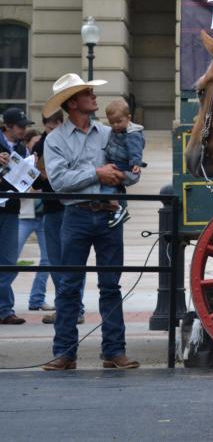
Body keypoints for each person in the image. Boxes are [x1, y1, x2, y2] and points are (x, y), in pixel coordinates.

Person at [41, 73, 139, 370]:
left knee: (110, 285)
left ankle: (113, 351)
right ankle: (66, 353)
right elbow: (58, 181)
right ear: (73, 103)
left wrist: (118, 174)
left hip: (106, 214)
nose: (94, 97)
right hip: (76, 216)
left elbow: (132, 173)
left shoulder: (107, 133)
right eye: (87, 93)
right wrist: (97, 174)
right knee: (69, 285)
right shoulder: (55, 139)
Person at [32, 110, 84, 326]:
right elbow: (34, 183)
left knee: (73, 261)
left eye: (56, 125)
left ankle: (75, 307)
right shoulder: (39, 146)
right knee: (55, 261)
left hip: (70, 206)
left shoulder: (68, 141)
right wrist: (39, 175)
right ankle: (65, 306)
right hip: (52, 208)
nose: (53, 130)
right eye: (49, 126)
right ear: (44, 125)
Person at [0, 107, 33, 325]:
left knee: (9, 261)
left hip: (10, 208)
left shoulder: (23, 149)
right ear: (7, 127)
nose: (23, 130)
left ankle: (5, 309)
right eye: (20, 127)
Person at [16, 129, 54, 312]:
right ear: (28, 143)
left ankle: (37, 299)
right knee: (10, 258)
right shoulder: (23, 161)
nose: (39, 144)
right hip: (24, 216)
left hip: (43, 216)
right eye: (35, 141)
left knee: (47, 260)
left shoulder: (46, 162)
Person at [100, 99, 145, 228]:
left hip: (125, 164)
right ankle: (121, 208)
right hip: (116, 161)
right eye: (112, 122)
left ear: (128, 118)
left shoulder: (132, 134)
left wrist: (136, 163)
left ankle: (117, 208)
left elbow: (135, 149)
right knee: (117, 188)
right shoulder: (115, 131)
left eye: (119, 121)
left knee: (107, 186)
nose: (115, 125)